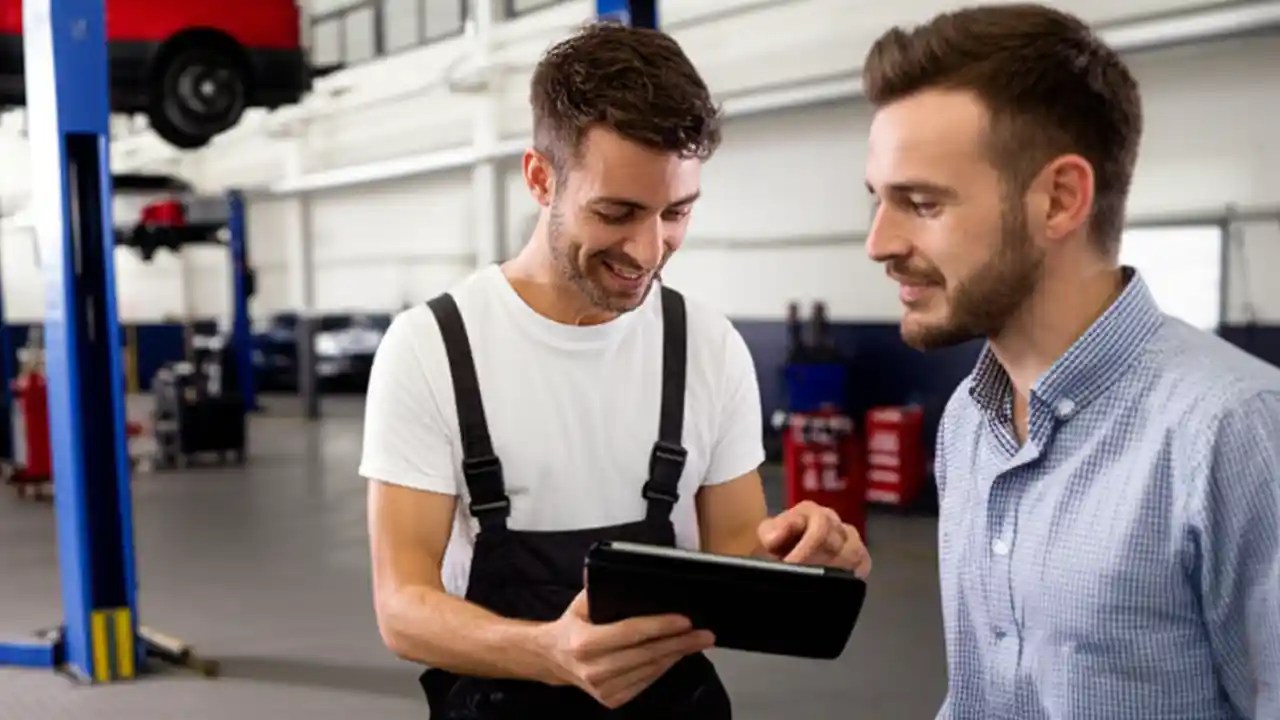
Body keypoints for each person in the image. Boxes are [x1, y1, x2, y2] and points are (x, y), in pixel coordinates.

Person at [361, 22, 872, 719]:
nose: (649, 248)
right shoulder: (431, 349)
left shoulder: (708, 348)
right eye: (618, 212)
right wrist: (550, 651)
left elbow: (737, 552)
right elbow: (403, 608)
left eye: (677, 212)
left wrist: (809, 557)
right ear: (541, 178)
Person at [861, 4, 1279, 719]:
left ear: (1059, 200)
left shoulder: (1235, 432)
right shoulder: (968, 423)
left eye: (921, 202)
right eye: (878, 201)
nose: (877, 242)